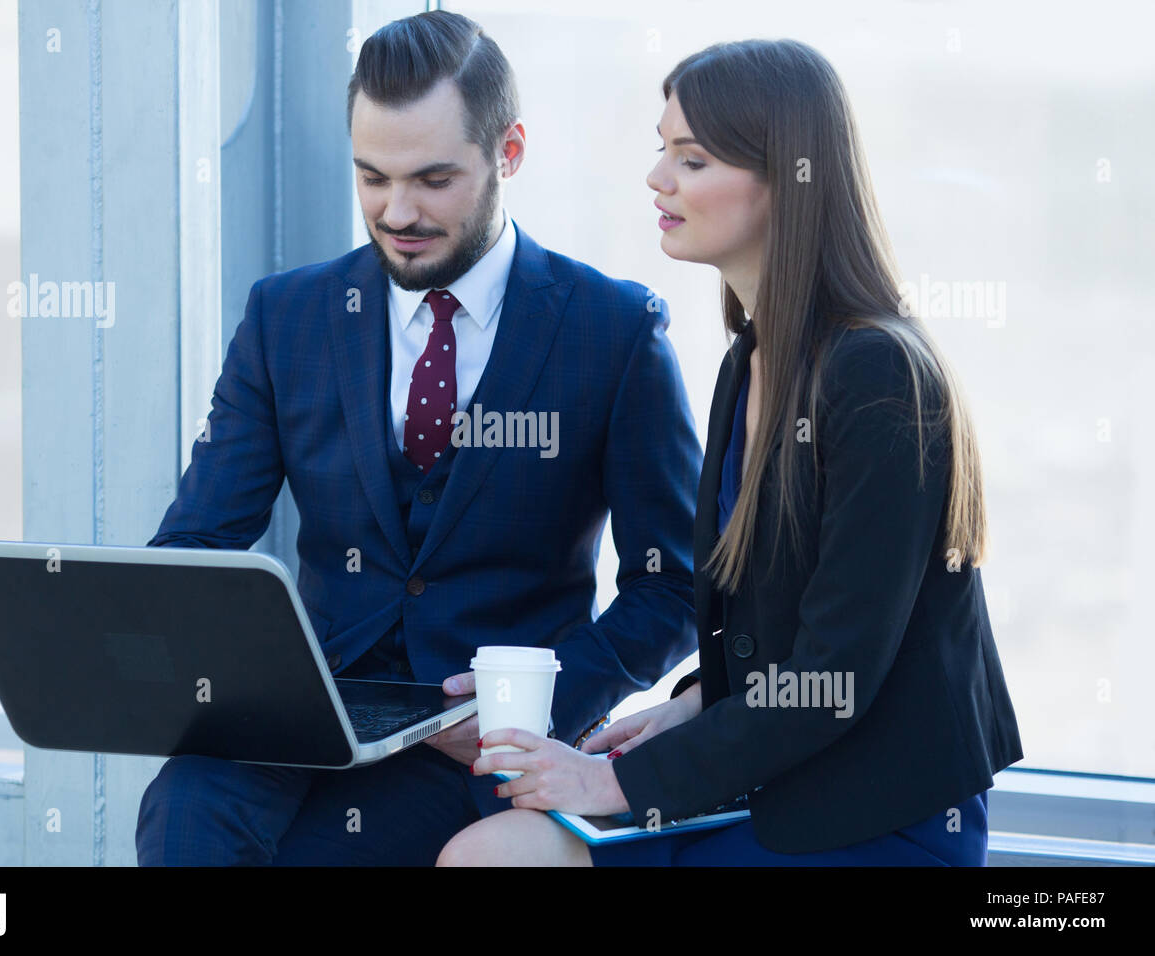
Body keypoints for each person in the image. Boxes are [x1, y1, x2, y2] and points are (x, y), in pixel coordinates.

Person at [134, 10, 703, 866]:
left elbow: (674, 590)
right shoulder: (285, 317)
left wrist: (532, 706)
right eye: (373, 177)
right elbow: (197, 542)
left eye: (433, 180)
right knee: (182, 810)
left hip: (480, 747)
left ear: (509, 152)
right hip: (303, 713)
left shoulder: (613, 331)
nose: (396, 212)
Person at [437, 38, 1023, 867]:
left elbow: (837, 675)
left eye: (693, 158)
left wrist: (613, 786)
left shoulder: (880, 375)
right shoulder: (746, 363)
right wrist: (687, 707)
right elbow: (777, 628)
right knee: (487, 851)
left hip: (869, 818)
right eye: (662, 151)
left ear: (787, 179)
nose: (658, 179)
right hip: (778, 786)